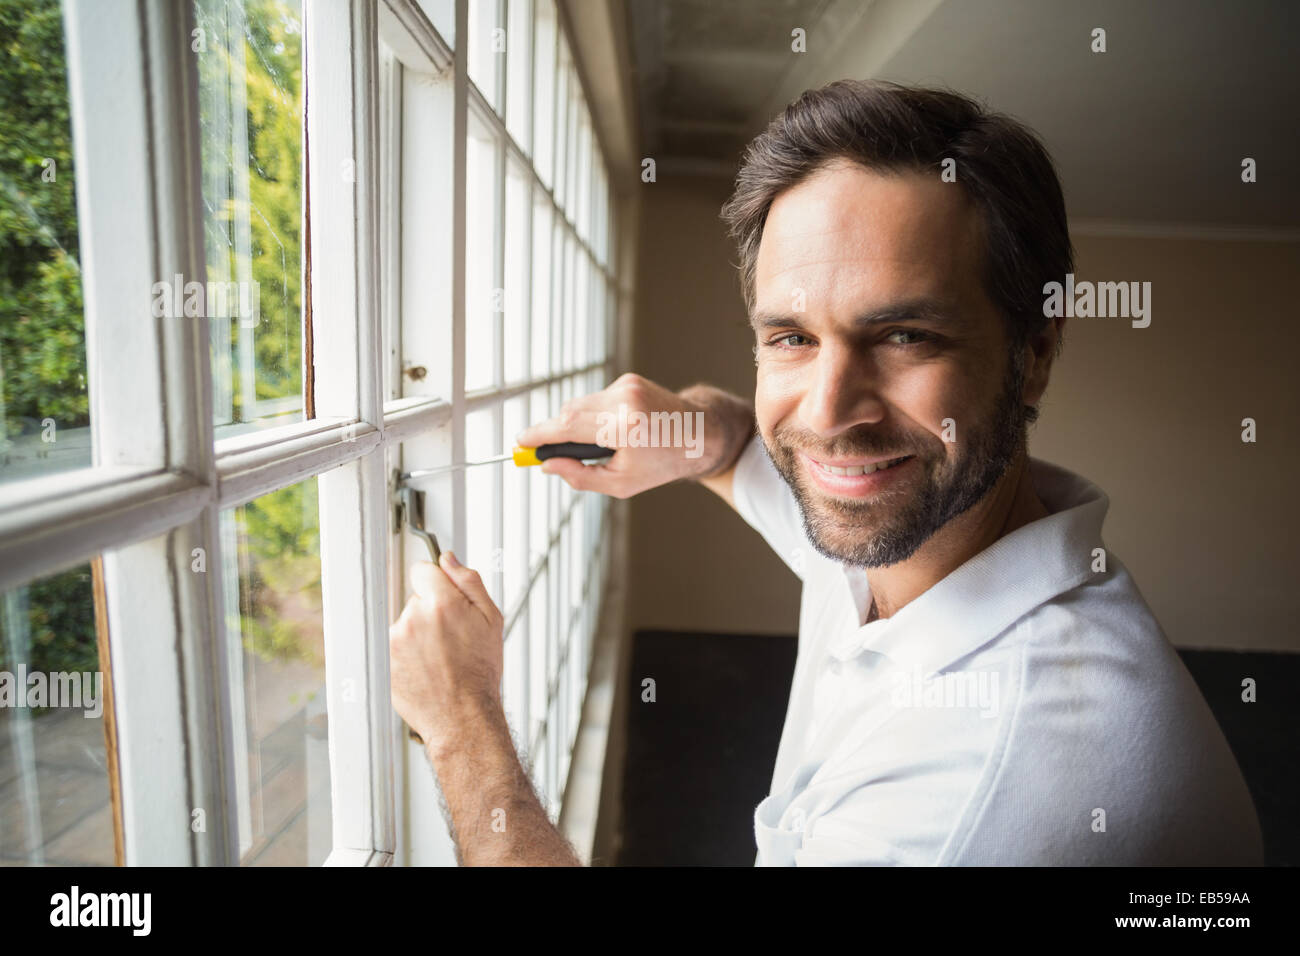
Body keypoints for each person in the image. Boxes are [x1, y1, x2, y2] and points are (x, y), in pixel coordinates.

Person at [389, 80, 1264, 866]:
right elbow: (740, 451)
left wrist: (464, 725)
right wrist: (698, 431)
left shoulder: (988, 789)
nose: (828, 412)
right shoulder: (905, 531)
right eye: (792, 339)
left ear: (1033, 355)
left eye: (904, 336)